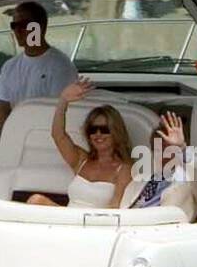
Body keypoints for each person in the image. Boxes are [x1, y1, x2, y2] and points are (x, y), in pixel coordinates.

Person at [28, 78, 131, 209]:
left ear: (116, 132)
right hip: (68, 219)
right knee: (35, 200)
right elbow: (58, 136)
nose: (98, 134)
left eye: (104, 130)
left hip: (93, 224)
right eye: (93, 130)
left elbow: (116, 207)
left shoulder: (124, 169)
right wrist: (63, 101)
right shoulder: (82, 160)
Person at [0, 1, 77, 129]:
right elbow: (2, 107)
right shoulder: (9, 66)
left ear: (41, 27)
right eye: (14, 25)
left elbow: (60, 112)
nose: (18, 30)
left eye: (24, 25)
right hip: (15, 136)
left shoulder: (61, 67)